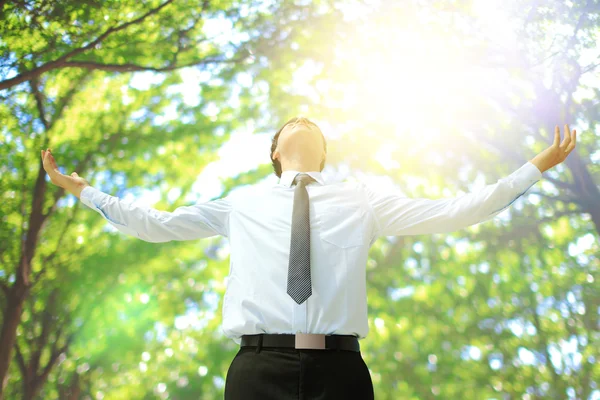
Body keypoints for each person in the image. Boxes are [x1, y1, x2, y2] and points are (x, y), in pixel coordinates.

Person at [41, 118, 576, 399]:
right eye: (291, 123)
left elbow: (455, 210)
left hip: (341, 371)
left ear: (324, 153)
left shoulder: (361, 200)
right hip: (256, 370)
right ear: (275, 152)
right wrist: (85, 191)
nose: (303, 121)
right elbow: (155, 225)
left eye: (312, 124)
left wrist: (536, 167)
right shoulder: (240, 203)